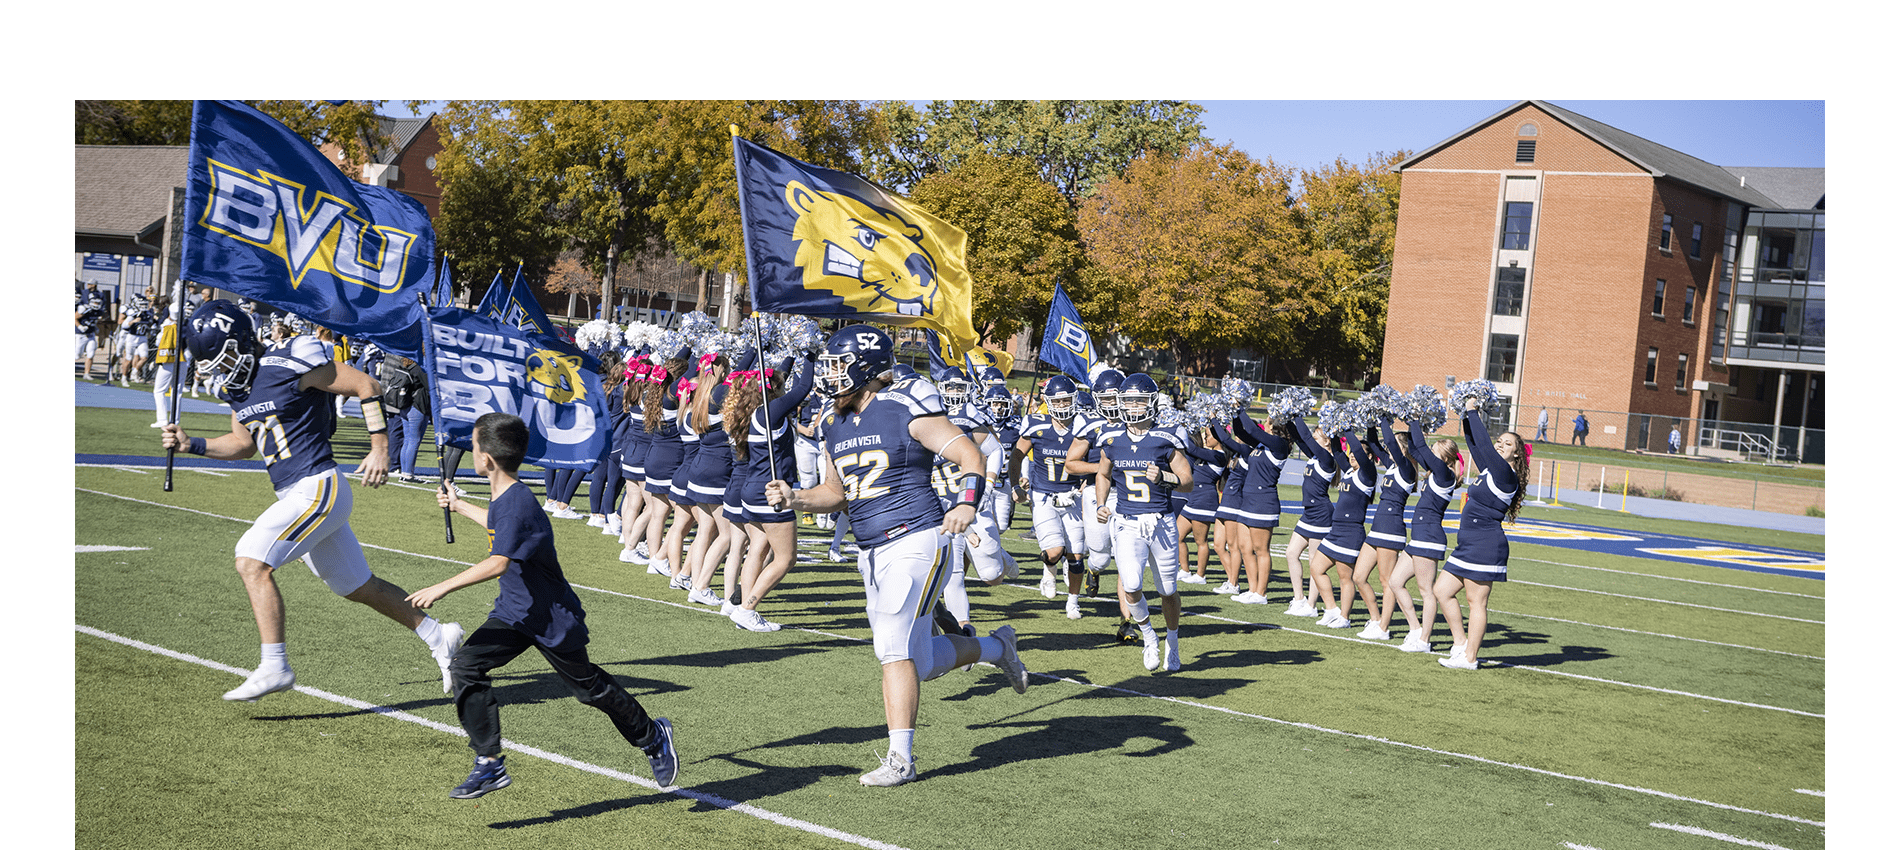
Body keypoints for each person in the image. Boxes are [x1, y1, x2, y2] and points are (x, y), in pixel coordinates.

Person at [160, 300, 465, 701]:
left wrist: (379, 447)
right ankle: (439, 635)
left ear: (243, 341)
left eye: (223, 356)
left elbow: (365, 385)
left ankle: (275, 665)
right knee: (357, 586)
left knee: (251, 560)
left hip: (318, 484)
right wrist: (191, 444)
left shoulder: (287, 362)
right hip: (295, 492)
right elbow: (242, 443)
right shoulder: (238, 390)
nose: (218, 368)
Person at [765, 325, 1029, 788]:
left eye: (836, 365)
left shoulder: (904, 405)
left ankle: (900, 760)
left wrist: (967, 503)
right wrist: (796, 499)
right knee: (919, 662)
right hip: (870, 549)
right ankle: (997, 646)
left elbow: (971, 456)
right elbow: (835, 492)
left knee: (891, 645)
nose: (828, 375)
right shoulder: (834, 420)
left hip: (917, 538)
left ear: (864, 368)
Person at [413, 412, 678, 798]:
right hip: (515, 612)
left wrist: (442, 587)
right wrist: (460, 507)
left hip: (550, 616)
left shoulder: (518, 500)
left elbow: (498, 560)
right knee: (467, 665)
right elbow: (501, 526)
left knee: (589, 689)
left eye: (473, 445)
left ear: (486, 458)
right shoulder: (506, 496)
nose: (471, 450)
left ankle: (652, 735)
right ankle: (489, 763)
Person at [1093, 373, 1195, 672]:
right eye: (1128, 401)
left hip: (1161, 522)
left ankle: (1172, 643)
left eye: (1139, 400)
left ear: (1151, 403)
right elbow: (1102, 473)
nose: (1134, 407)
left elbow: (1188, 482)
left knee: (1167, 590)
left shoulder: (1166, 438)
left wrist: (1164, 477)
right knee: (1133, 585)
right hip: (1126, 522)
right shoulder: (1111, 439)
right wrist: (1101, 504)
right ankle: (1150, 636)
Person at [1433, 397, 1528, 670]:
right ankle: (1461, 643)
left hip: (1486, 544)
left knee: (1476, 601)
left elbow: (1483, 445)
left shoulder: (1505, 474)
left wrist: (1474, 410)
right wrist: (1464, 415)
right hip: (1469, 543)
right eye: (1500, 440)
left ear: (1517, 454)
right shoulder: (1490, 469)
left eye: (1507, 443)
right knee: (1442, 590)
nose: (1500, 445)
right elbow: (1475, 444)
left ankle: (1470, 658)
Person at [1015, 375, 1088, 618]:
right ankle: (1049, 571)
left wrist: (1083, 488)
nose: (1062, 406)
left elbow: (1095, 461)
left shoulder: (1083, 426)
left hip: (1073, 496)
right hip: (1044, 495)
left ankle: (1073, 602)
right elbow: (1016, 456)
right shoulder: (1036, 424)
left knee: (1076, 555)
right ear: (1048, 402)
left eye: (1067, 400)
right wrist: (1016, 485)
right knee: (1055, 551)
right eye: (1057, 401)